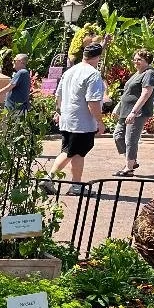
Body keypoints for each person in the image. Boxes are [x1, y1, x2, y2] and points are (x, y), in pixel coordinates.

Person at [41, 42, 106, 195]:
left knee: (78, 152)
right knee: (70, 151)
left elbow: (58, 95)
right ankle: (49, 178)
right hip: (81, 122)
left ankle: (76, 186)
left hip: (68, 119)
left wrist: (59, 111)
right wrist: (99, 121)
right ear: (98, 57)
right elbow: (93, 101)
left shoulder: (69, 71)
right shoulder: (93, 74)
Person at [112, 49, 154, 177]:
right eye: (135, 59)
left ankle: (129, 168)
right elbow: (127, 93)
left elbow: (145, 94)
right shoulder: (136, 74)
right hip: (125, 111)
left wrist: (134, 112)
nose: (136, 61)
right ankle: (131, 162)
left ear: (147, 61)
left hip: (138, 112)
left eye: (139, 59)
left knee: (131, 139)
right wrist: (118, 108)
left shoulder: (149, 73)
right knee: (117, 136)